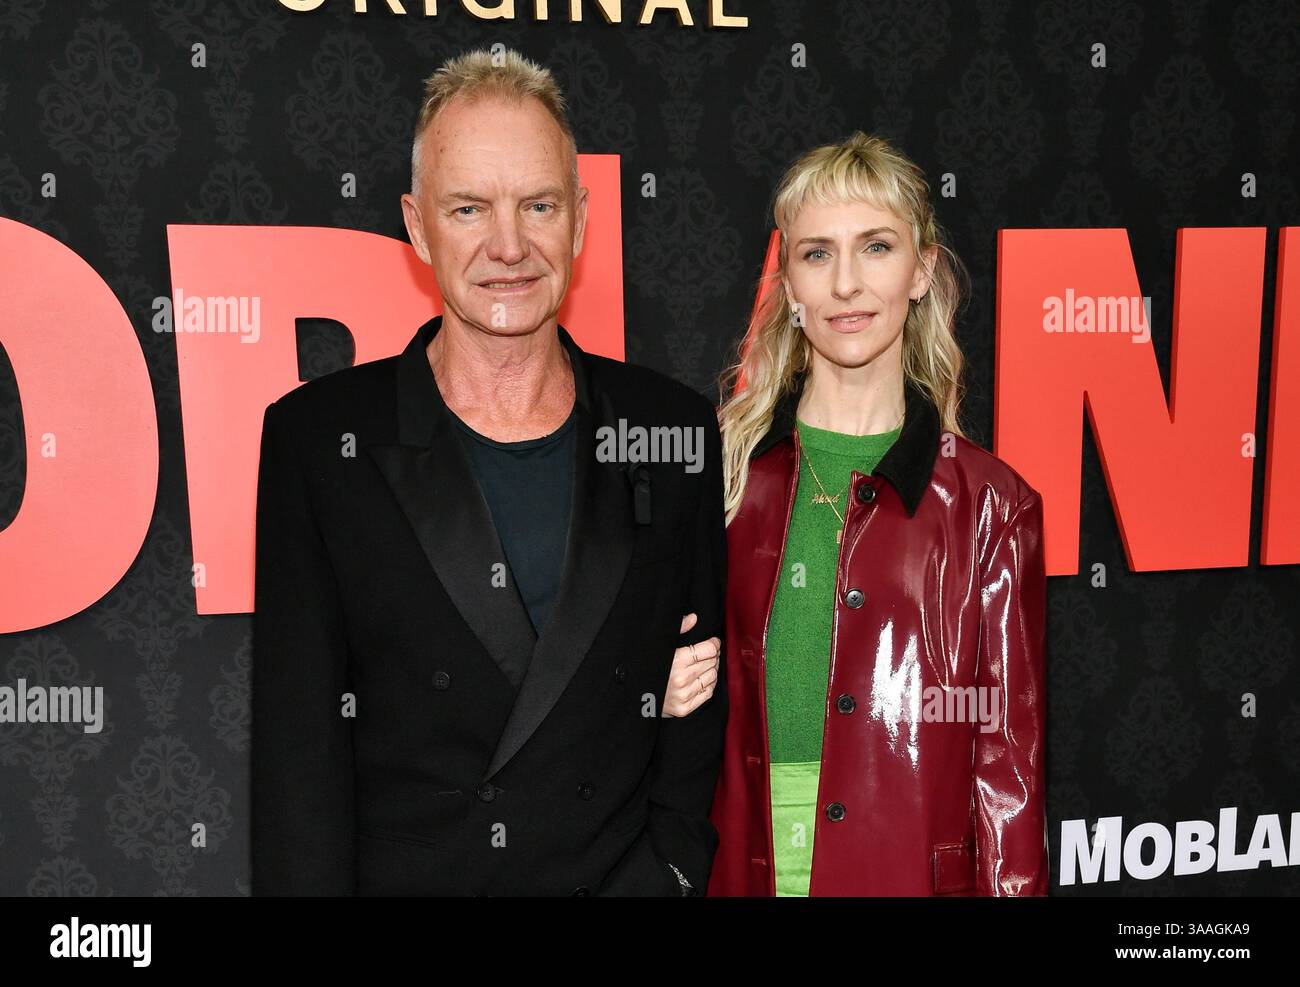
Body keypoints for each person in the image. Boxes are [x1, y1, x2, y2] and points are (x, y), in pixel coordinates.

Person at [251, 48, 725, 896]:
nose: (510, 246)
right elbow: (299, 753)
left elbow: (697, 695)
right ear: (416, 222)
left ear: (579, 217)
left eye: (537, 204)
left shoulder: (671, 427)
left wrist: (673, 872)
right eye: (469, 207)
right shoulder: (319, 443)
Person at [667, 131, 1048, 896]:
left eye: (876, 247)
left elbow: (1009, 764)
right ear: (790, 283)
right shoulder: (718, 476)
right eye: (817, 254)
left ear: (921, 270)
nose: (846, 283)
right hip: (741, 868)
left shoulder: (991, 506)